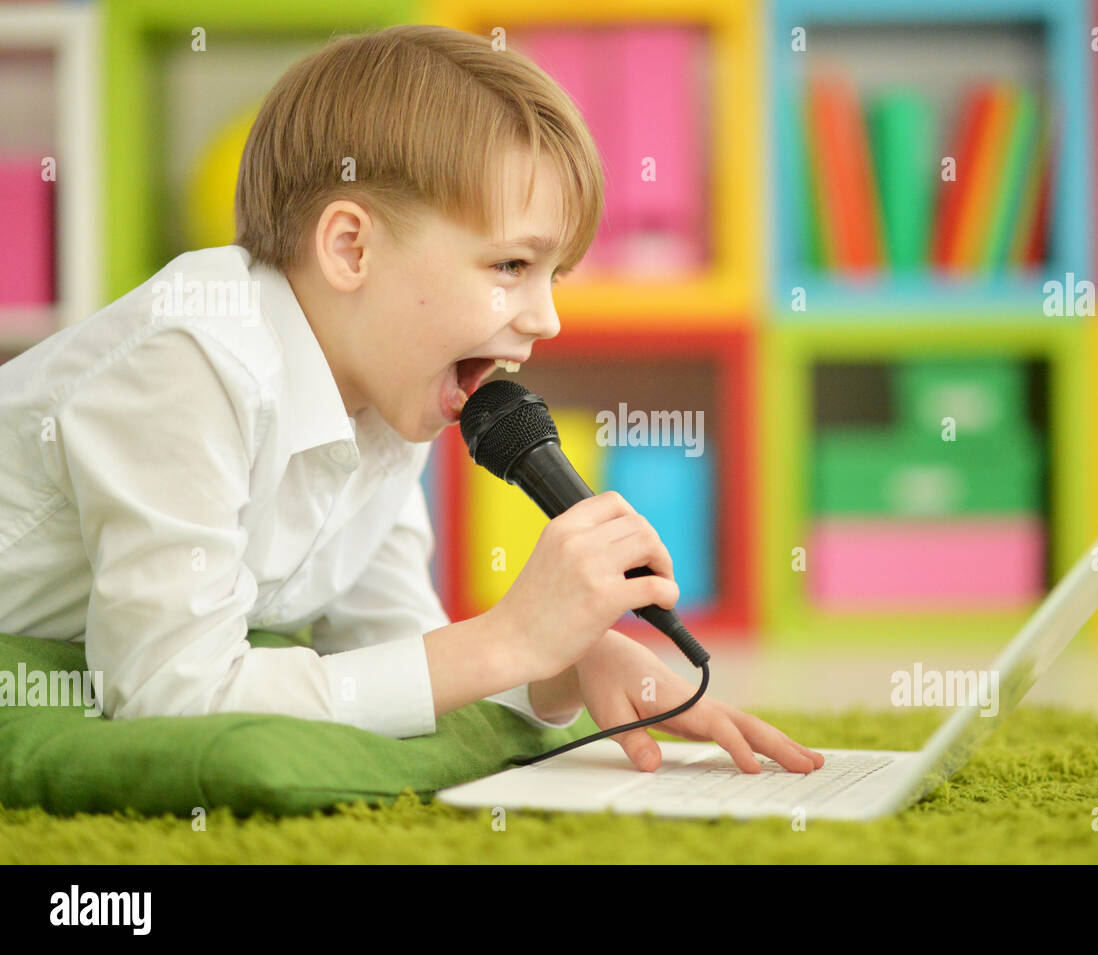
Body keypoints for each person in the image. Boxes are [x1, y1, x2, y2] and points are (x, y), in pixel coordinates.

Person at [0, 24, 822, 776]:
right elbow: (167, 693)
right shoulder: (188, 365)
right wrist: (507, 639)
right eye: (509, 266)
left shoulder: (389, 396)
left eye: (554, 275)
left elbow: (396, 656)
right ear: (351, 248)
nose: (547, 317)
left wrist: (563, 663)